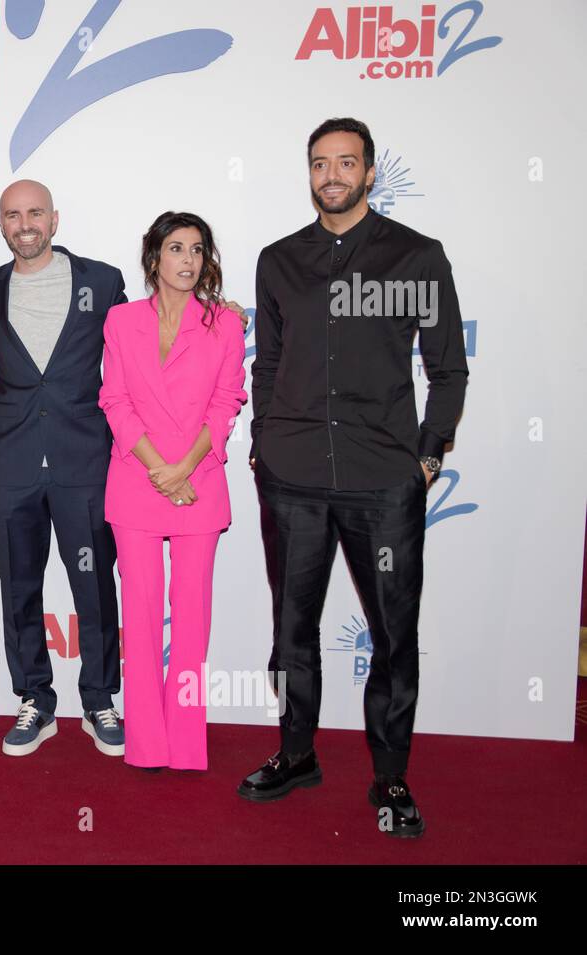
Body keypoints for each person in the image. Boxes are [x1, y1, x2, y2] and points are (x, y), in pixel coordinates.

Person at [238, 118, 469, 838]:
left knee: (394, 635)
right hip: (294, 475)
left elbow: (448, 368)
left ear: (370, 172)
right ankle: (297, 752)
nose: (331, 174)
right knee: (292, 626)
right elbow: (268, 364)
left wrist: (426, 458)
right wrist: (263, 444)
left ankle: (391, 776)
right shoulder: (279, 261)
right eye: (319, 163)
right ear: (308, 173)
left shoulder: (415, 256)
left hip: (382, 481)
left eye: (346, 162)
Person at [0, 180, 127, 757]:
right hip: (13, 464)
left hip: (84, 460)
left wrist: (217, 313)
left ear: (55, 219)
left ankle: (99, 700)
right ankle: (34, 699)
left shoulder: (102, 281)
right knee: (18, 587)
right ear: (1, 224)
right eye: (12, 215)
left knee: (93, 586)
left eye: (34, 212)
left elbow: (143, 343)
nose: (24, 223)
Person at [99, 212, 246, 772]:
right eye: (176, 248)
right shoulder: (120, 320)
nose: (188, 260)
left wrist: (183, 467)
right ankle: (146, 744)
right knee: (137, 618)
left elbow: (226, 403)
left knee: (191, 622)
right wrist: (160, 468)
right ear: (154, 258)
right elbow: (115, 400)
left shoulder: (225, 325)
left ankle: (186, 744)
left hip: (199, 483)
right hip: (137, 481)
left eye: (198, 250)